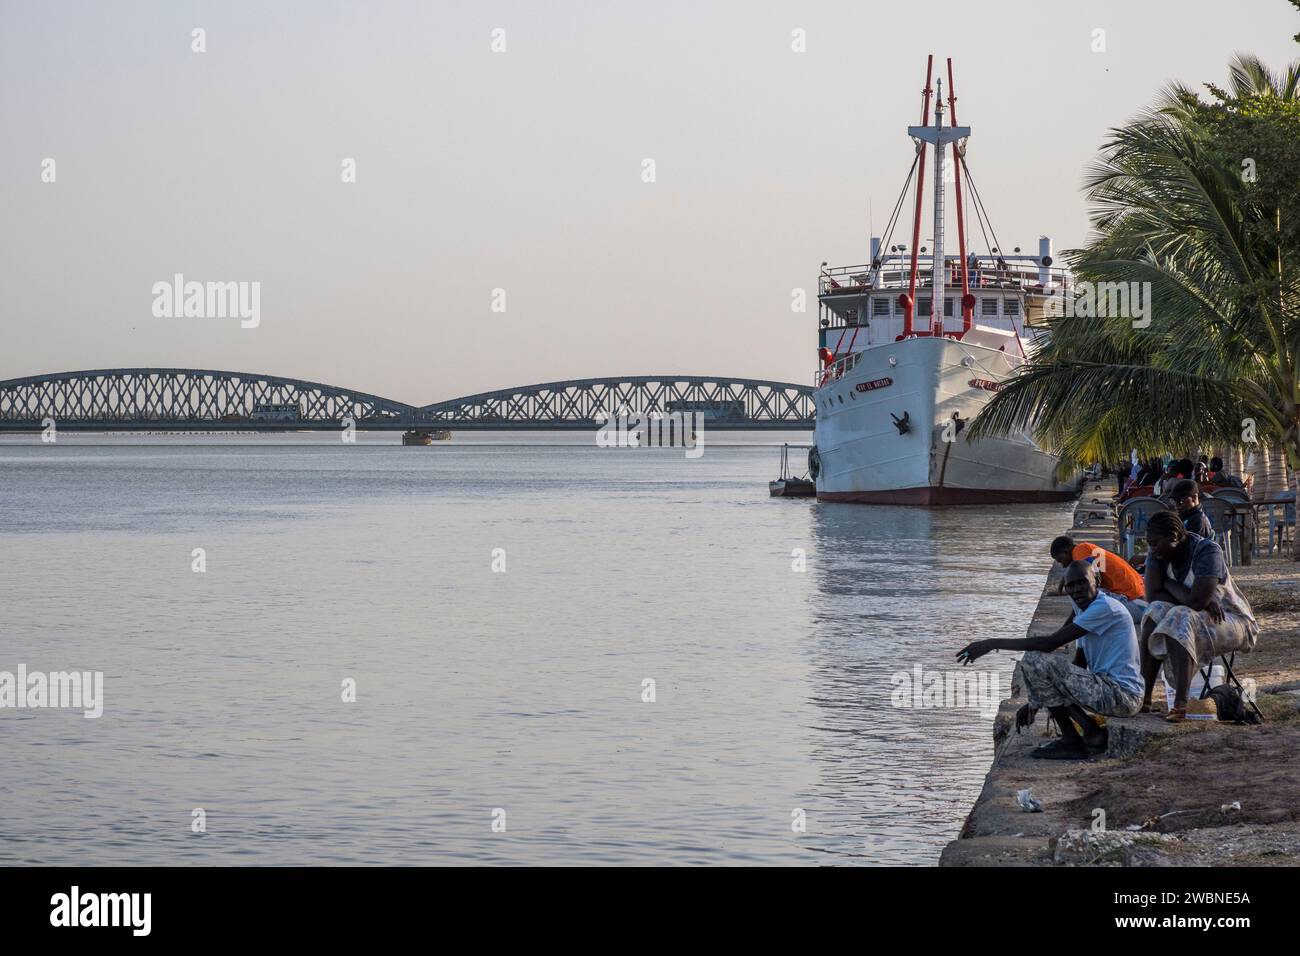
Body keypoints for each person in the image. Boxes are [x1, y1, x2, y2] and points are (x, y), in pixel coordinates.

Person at [957, 561, 1143, 759]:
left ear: (1096, 581)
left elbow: (1049, 643)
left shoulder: (1104, 608)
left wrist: (991, 643)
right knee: (1041, 665)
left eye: (1082, 583)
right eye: (1071, 585)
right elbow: (1077, 667)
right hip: (1107, 690)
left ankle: (1073, 740)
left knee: (1034, 659)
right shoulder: (1085, 608)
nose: (1076, 590)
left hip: (1122, 696)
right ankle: (1091, 731)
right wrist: (1034, 703)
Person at [1138, 510, 1258, 721]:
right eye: (1150, 544)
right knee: (1155, 612)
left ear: (1174, 537)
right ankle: (1144, 697)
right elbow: (1154, 596)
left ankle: (1180, 705)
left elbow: (1196, 602)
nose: (1152, 550)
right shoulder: (1158, 555)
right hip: (1197, 616)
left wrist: (1169, 585)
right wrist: (1177, 587)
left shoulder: (1207, 551)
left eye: (1155, 544)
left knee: (1180, 615)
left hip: (1231, 619)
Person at [1049, 535, 1147, 624]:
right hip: (1140, 603)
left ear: (1066, 551)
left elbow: (1091, 584)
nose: (1063, 566)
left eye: (1061, 560)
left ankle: (1081, 623)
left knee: (1081, 593)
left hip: (1135, 606)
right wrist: (1063, 583)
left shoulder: (1079, 551)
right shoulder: (1085, 549)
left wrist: (1067, 627)